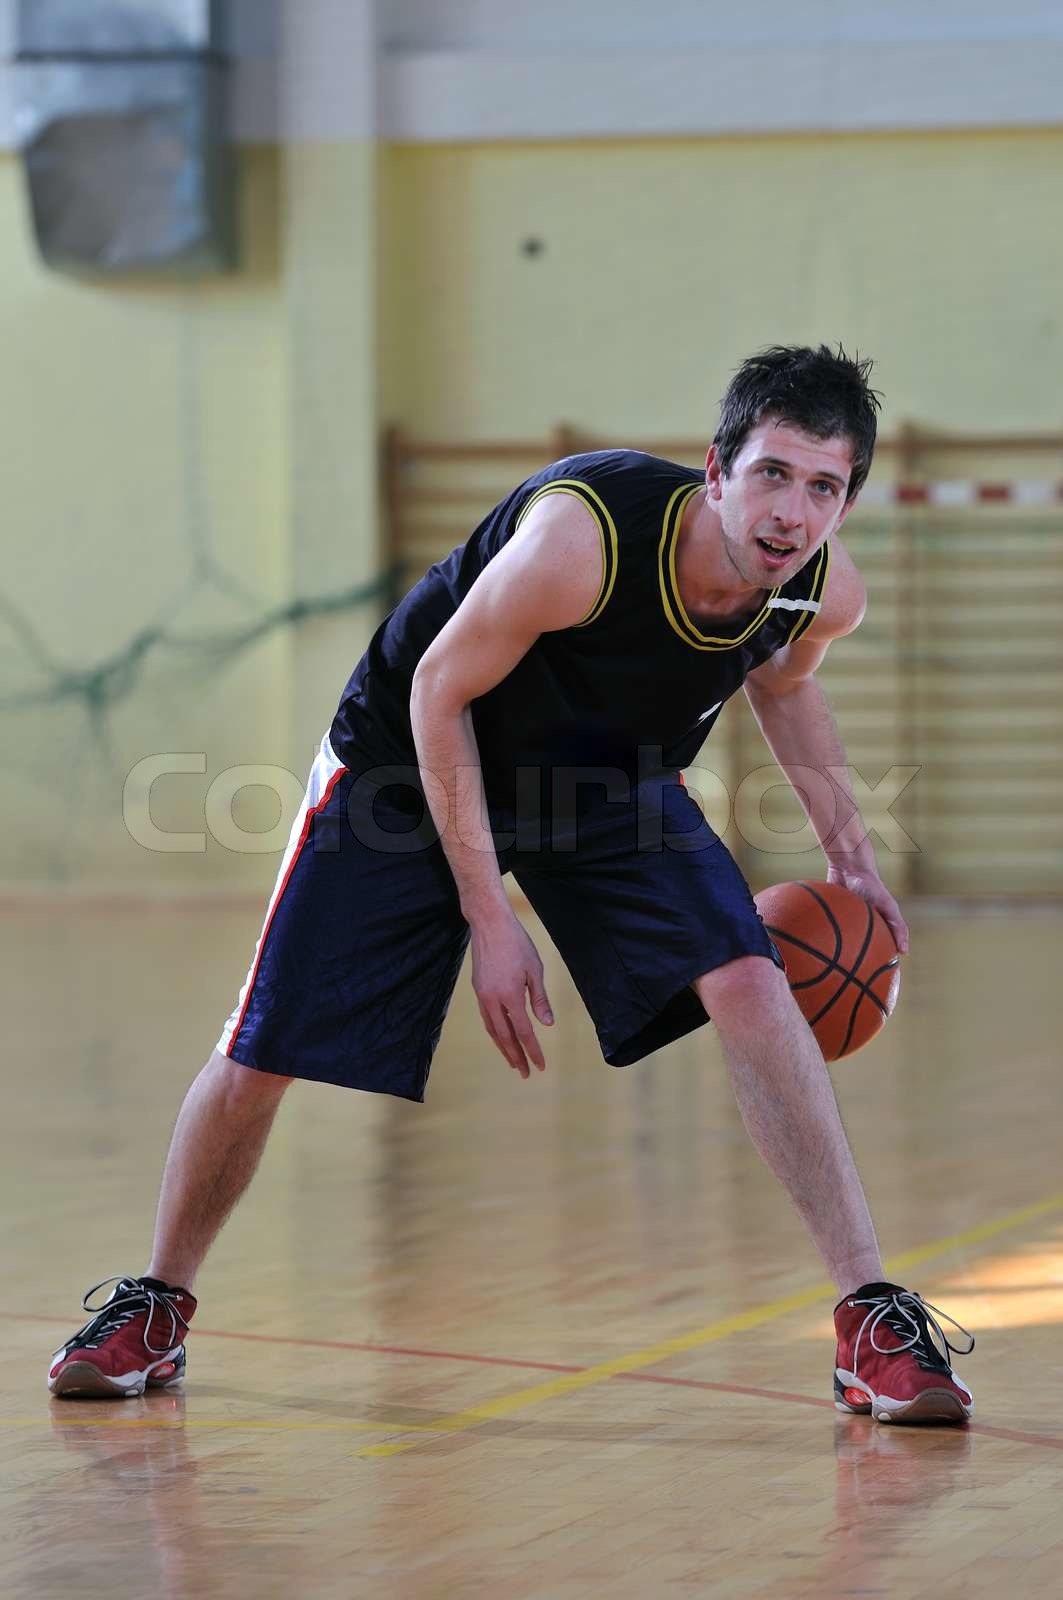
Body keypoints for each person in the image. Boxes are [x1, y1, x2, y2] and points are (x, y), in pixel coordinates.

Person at [48, 345, 974, 1425]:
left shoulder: (817, 588)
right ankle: (154, 1301)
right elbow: (441, 689)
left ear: (846, 500)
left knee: (754, 981)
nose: (791, 510)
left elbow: (784, 684)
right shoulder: (579, 542)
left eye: (823, 487)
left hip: (607, 778)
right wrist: (490, 916)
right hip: (406, 762)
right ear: (716, 469)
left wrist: (853, 859)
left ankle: (869, 1316)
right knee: (264, 1048)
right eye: (772, 471)